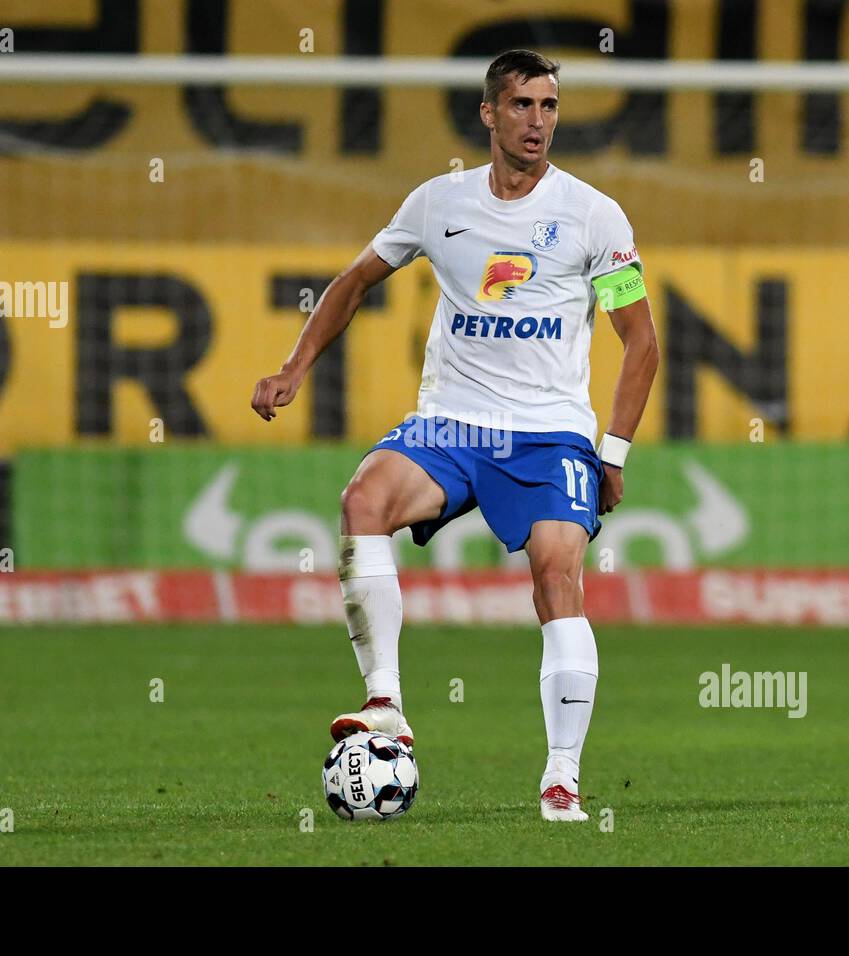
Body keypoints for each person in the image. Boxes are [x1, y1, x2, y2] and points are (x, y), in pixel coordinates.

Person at [251, 49, 658, 821]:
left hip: (547, 434)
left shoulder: (594, 216)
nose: (538, 121)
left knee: (556, 576)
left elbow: (642, 341)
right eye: (523, 105)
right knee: (362, 500)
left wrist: (613, 451)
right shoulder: (439, 203)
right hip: (452, 422)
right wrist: (294, 366)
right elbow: (355, 280)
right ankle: (386, 707)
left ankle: (562, 777)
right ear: (489, 113)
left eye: (549, 106)